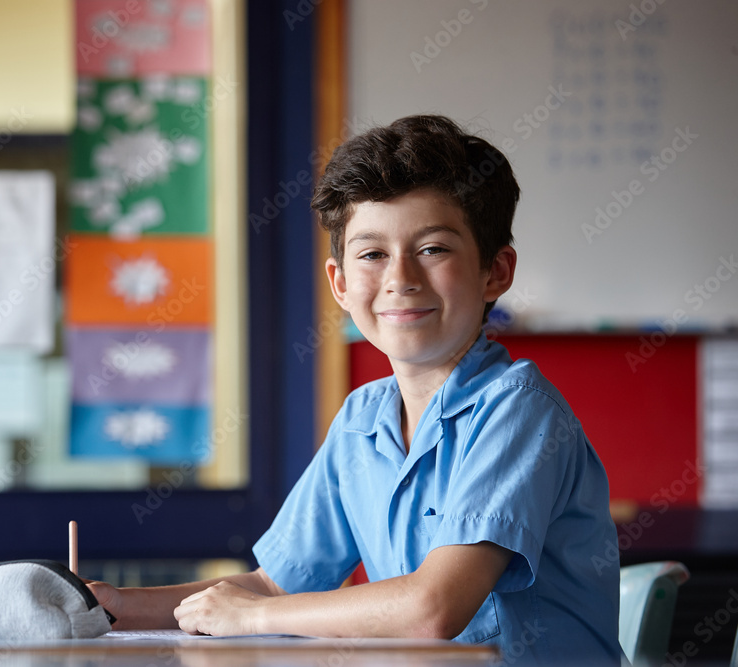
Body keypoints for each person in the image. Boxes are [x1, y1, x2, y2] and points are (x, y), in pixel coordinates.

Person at [88, 114, 621, 664]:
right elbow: (276, 585)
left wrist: (251, 617)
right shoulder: (362, 418)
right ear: (340, 284)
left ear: (496, 272)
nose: (401, 278)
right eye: (372, 254)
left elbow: (432, 609)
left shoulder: (517, 408)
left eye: (433, 249)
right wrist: (115, 606)